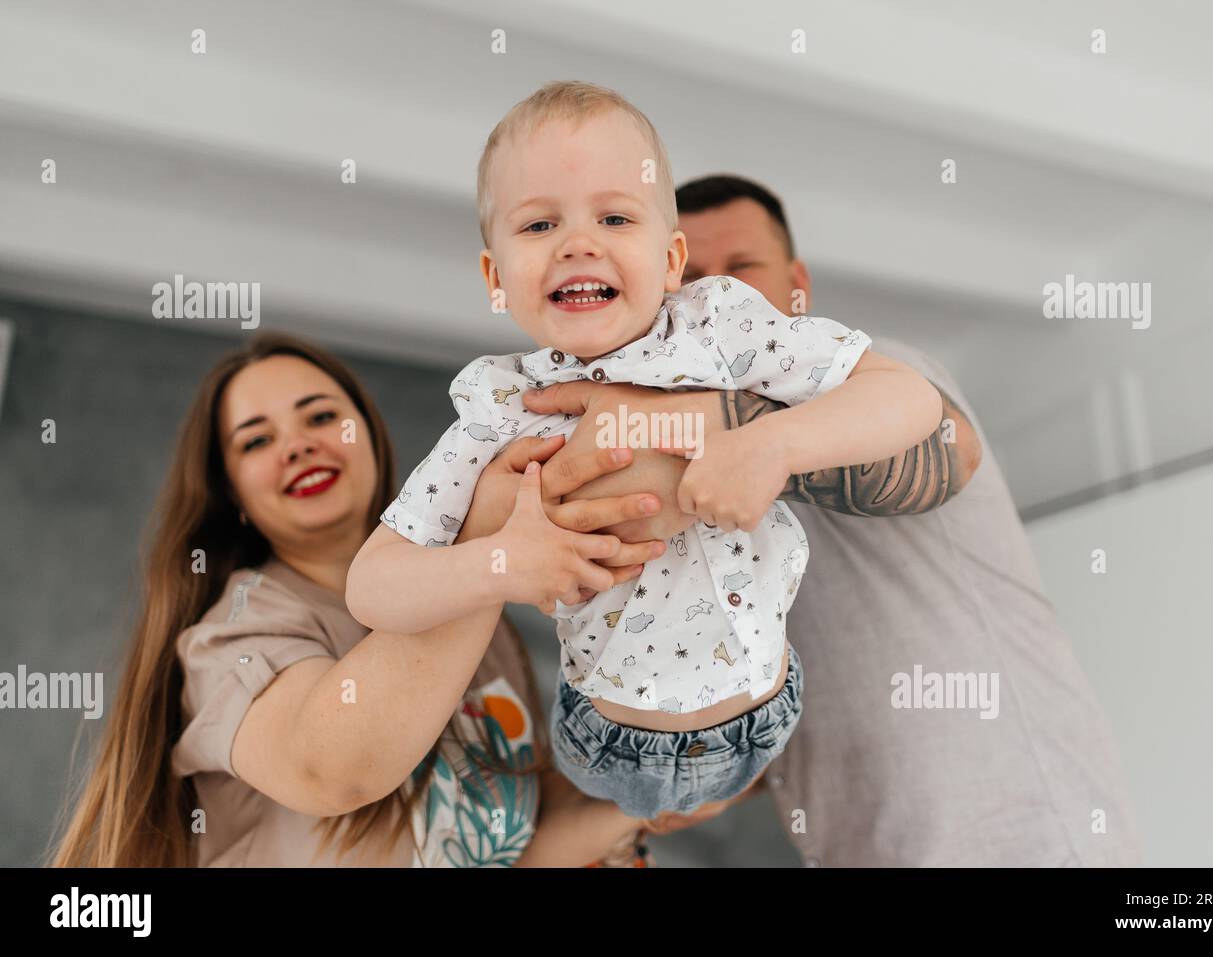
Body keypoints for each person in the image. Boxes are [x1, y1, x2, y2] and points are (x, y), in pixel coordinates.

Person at [346, 81, 943, 821]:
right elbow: (371, 585)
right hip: (608, 737)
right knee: (616, 829)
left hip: (769, 702)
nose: (578, 241)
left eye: (615, 216)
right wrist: (506, 562)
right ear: (496, 280)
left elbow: (912, 399)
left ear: (671, 260)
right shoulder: (501, 408)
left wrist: (774, 441)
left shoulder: (721, 330)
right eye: (537, 226)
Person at [525, 174, 1142, 866]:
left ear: (797, 288)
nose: (720, 293)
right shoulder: (693, 502)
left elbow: (945, 447)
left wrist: (687, 425)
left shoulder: (872, 381)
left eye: (744, 268)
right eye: (692, 276)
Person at [50, 332, 709, 867]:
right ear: (233, 499)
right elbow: (335, 769)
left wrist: (654, 793)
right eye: (256, 440)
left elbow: (515, 846)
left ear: (369, 435)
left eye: (321, 416)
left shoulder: (488, 627)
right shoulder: (232, 637)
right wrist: (490, 547)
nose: (299, 443)